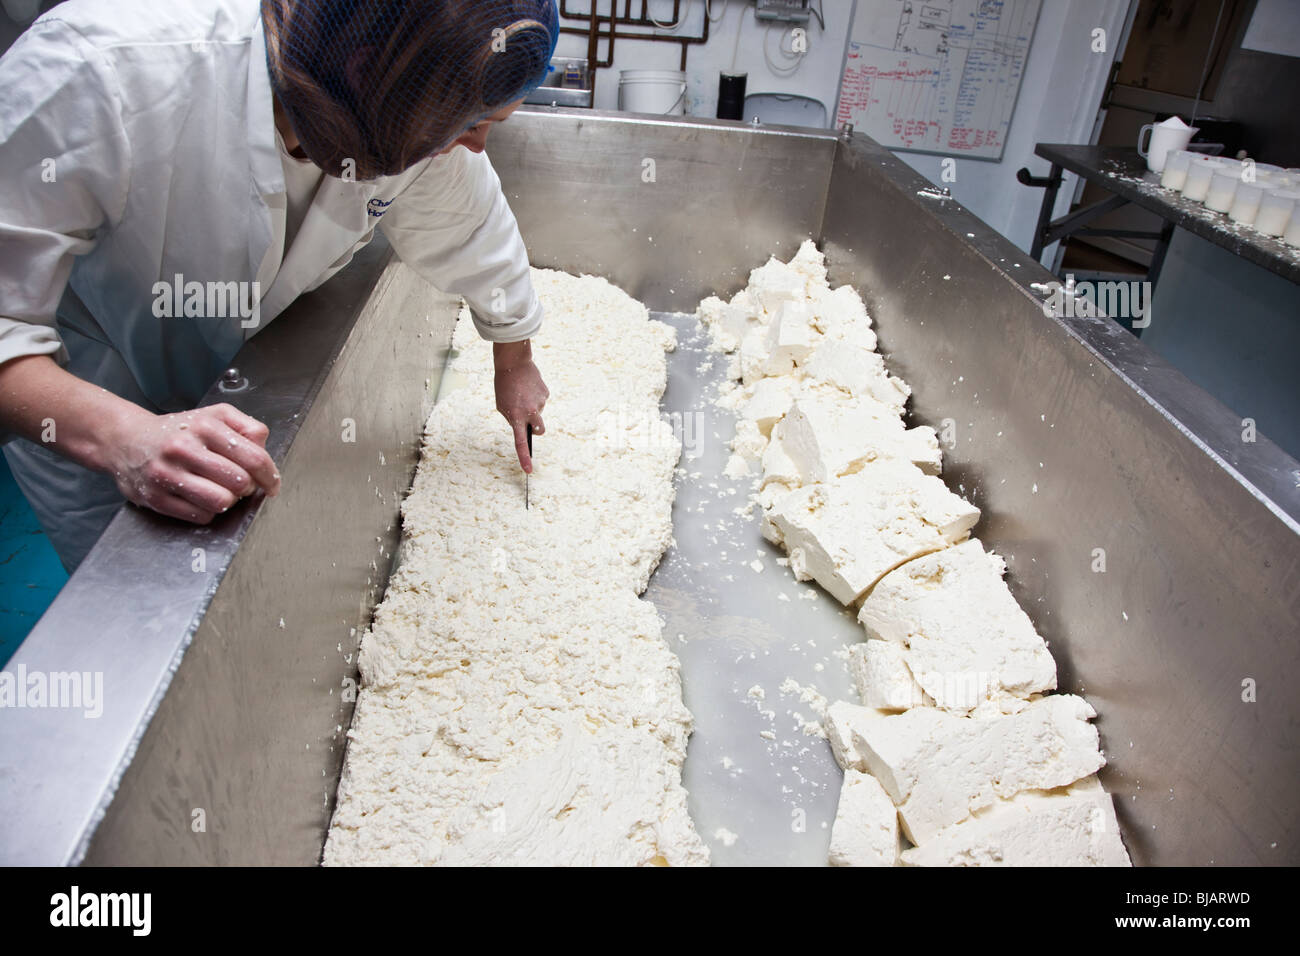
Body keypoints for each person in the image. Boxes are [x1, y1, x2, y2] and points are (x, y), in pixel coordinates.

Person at [0, 0, 555, 571]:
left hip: (227, 368)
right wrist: (123, 437)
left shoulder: (409, 111)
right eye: (468, 123)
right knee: (126, 589)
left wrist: (513, 357)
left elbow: (472, 228)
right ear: (366, 75)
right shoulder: (100, 66)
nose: (475, 144)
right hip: (89, 383)